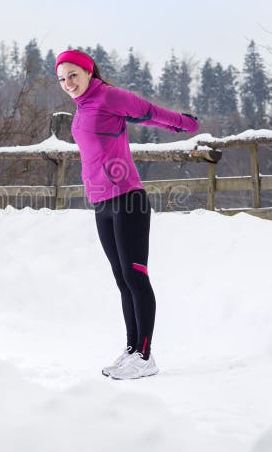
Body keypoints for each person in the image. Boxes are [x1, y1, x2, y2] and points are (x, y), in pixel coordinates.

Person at [55, 49, 200, 380]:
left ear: (89, 72)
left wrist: (183, 123)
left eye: (73, 75)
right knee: (122, 280)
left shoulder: (108, 96)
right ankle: (132, 350)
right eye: (62, 79)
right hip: (102, 202)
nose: (68, 83)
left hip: (127, 198)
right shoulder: (81, 108)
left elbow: (147, 112)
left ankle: (145, 355)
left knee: (136, 276)